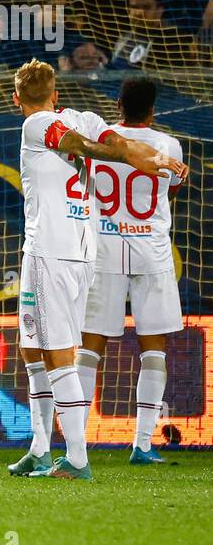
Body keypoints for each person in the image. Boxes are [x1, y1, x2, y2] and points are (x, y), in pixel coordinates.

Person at [6, 60, 186, 480]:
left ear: (16, 99)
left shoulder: (37, 125)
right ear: (57, 92)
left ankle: (77, 459)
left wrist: (126, 154)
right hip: (74, 252)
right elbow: (116, 146)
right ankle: (38, 447)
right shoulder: (85, 117)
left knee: (58, 354)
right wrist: (150, 157)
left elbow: (83, 147)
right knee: (31, 347)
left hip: (55, 252)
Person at [78, 79, 185, 465]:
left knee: (90, 346)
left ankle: (78, 443)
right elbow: (169, 191)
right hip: (151, 251)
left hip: (103, 247)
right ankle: (142, 444)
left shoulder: (98, 140)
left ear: (118, 104)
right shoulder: (170, 146)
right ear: (153, 109)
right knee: (153, 347)